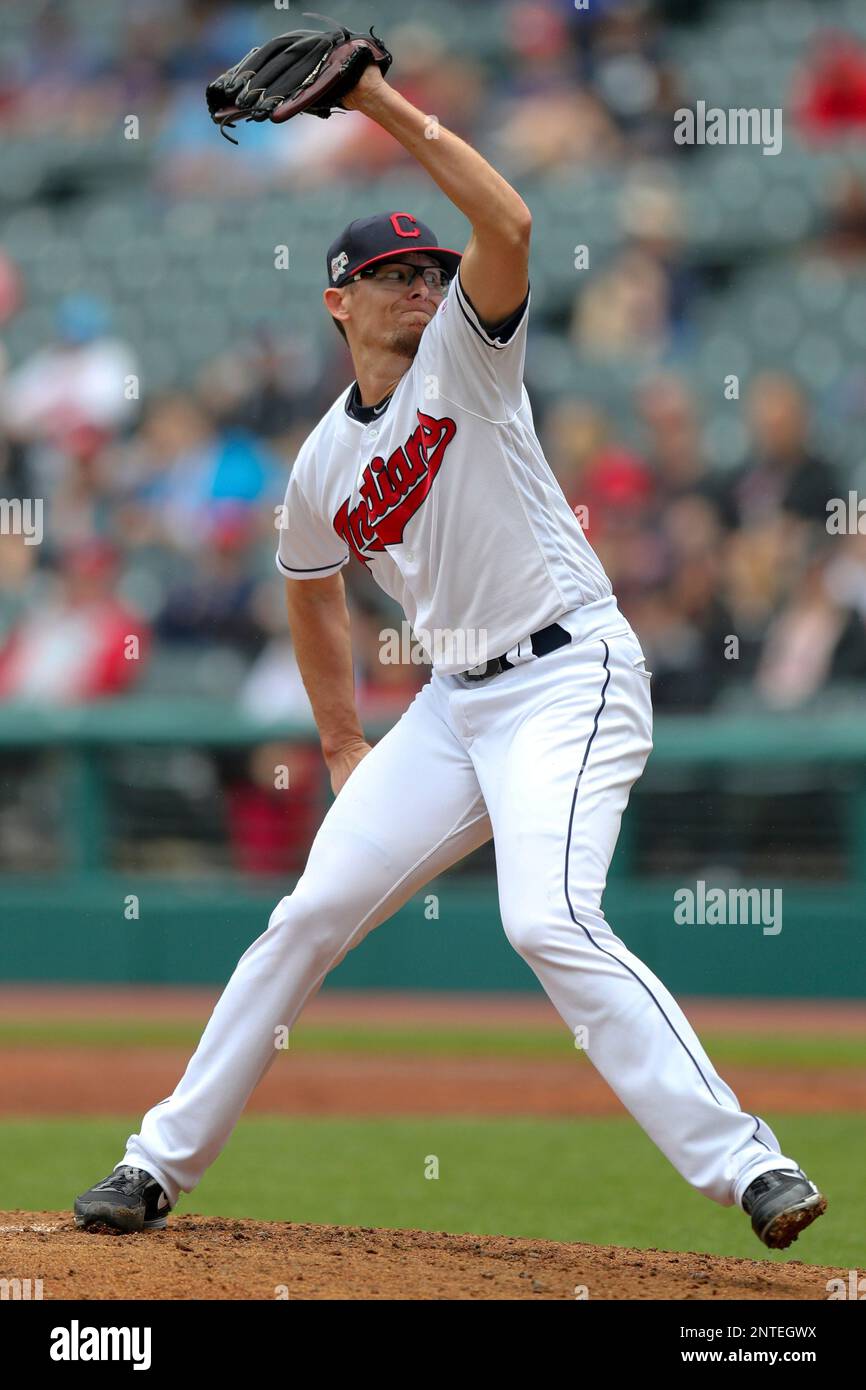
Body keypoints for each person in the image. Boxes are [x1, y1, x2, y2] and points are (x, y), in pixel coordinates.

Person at [74, 60, 826, 1252]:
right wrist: (337, 739)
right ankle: (154, 1164)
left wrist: (377, 103)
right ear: (337, 300)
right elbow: (307, 590)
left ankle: (751, 1166)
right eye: (391, 274)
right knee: (306, 913)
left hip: (567, 674)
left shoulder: (465, 358)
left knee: (545, 920)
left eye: (428, 270)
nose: (420, 286)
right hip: (450, 707)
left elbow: (511, 222)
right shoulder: (321, 462)